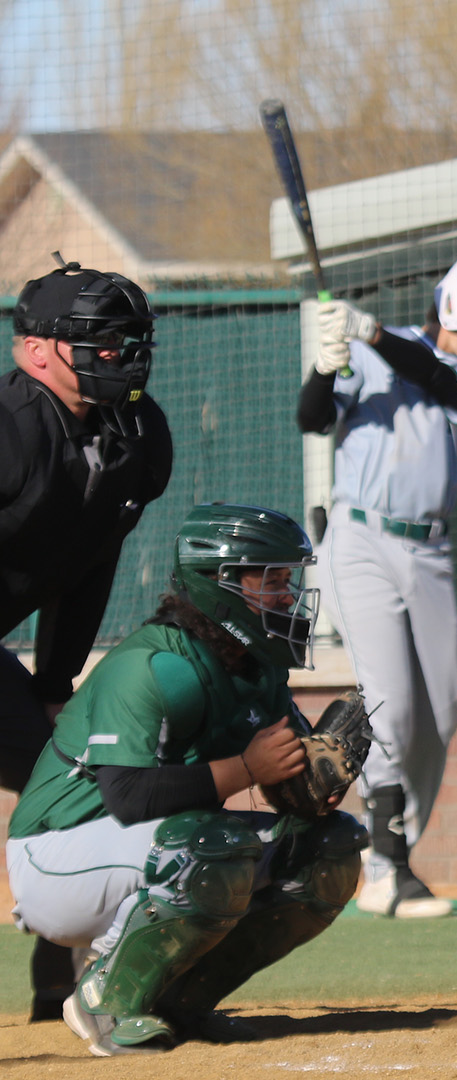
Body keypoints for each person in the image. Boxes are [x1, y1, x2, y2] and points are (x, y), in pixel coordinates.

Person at [5, 503, 365, 1056]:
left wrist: (312, 787)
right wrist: (247, 769)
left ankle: (182, 1001)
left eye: (288, 579)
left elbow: (290, 795)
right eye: (271, 580)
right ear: (220, 583)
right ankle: (103, 1000)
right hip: (57, 854)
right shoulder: (156, 664)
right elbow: (125, 796)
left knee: (328, 850)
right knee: (212, 846)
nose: (289, 596)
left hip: (152, 847)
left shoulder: (258, 666)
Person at [295, 248, 457, 918]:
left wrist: (371, 335)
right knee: (389, 703)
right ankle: (388, 868)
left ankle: (386, 851)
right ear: (453, 303)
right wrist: (327, 359)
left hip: (428, 550)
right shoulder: (372, 353)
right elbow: (312, 417)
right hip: (358, 536)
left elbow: (440, 384)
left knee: (440, 710)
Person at [0, 258, 172, 1021]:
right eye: (100, 342)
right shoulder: (8, 428)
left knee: (82, 774)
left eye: (130, 340)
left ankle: (61, 980)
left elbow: (89, 566)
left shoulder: (137, 436)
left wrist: (52, 687)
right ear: (35, 349)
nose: (122, 357)